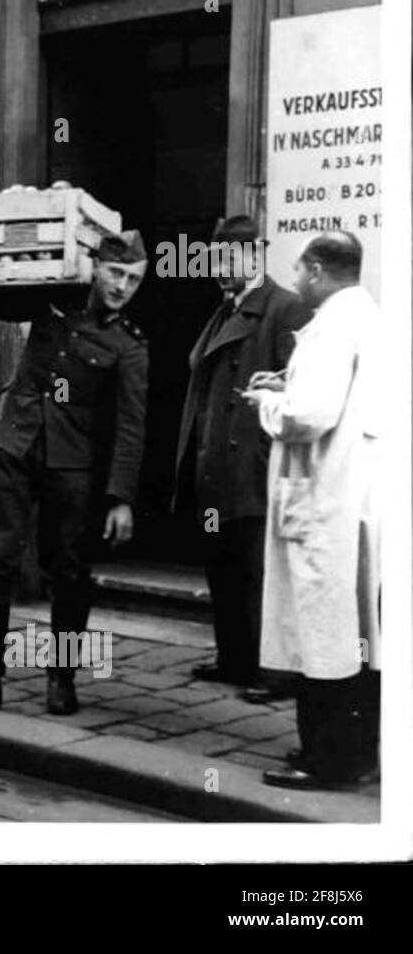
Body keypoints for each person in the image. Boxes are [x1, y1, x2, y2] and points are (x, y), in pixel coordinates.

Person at [0, 231, 149, 717]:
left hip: (73, 464)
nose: (122, 286)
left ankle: (61, 679)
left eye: (133, 279)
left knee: (70, 571)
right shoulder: (51, 298)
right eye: (115, 273)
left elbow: (130, 425)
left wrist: (120, 496)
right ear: (94, 266)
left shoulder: (129, 346)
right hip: (13, 444)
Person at [242, 231, 381, 791]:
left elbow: (311, 416)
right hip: (356, 498)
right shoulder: (369, 316)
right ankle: (360, 752)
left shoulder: (327, 325)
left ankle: (326, 760)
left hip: (323, 502)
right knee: (360, 636)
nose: (295, 278)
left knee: (322, 633)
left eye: (299, 268)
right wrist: (288, 380)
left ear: (318, 269)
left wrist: (269, 402)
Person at [174, 217, 310, 702]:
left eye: (228, 259)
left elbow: (297, 386)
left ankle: (274, 670)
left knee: (260, 573)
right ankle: (234, 659)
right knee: (223, 566)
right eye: (213, 260)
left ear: (256, 256)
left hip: (253, 469)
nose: (218, 269)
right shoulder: (223, 310)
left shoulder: (284, 308)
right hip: (215, 471)